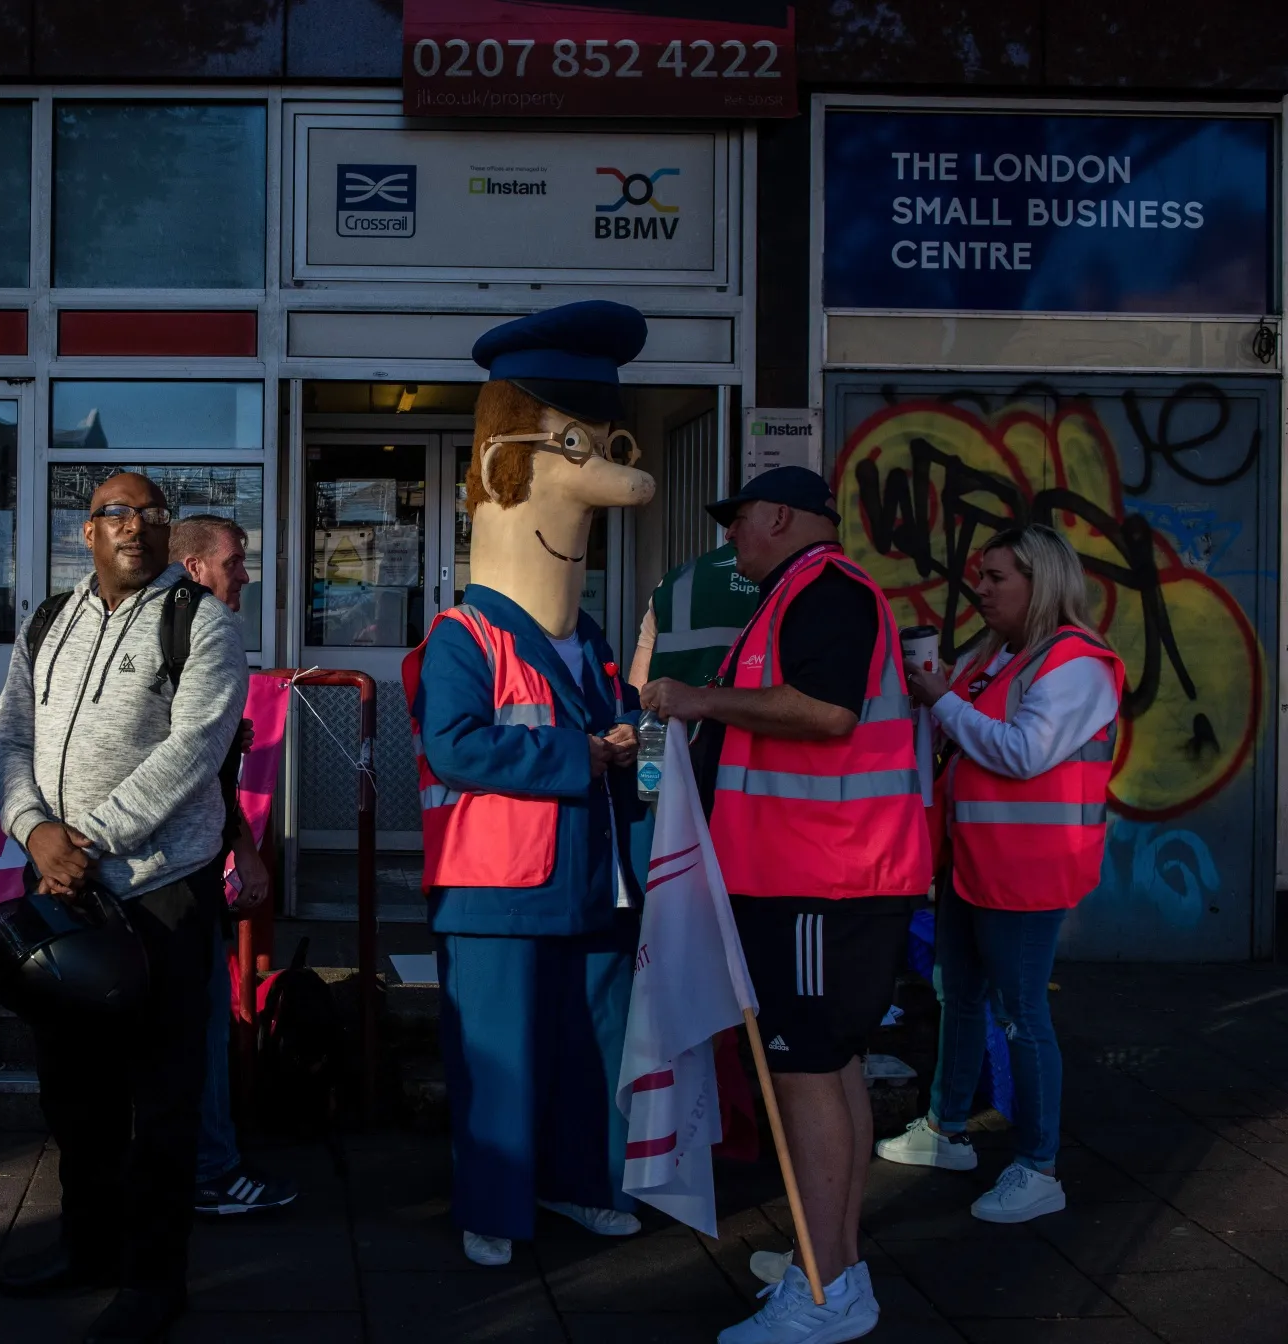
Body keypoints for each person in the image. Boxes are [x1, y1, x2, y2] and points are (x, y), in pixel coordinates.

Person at [642, 465, 929, 1344]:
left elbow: (827, 713)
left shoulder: (827, 590)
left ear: (779, 516)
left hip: (820, 877)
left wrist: (697, 698)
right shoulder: (805, 593)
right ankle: (827, 1266)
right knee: (828, 1068)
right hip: (814, 874)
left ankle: (829, 1290)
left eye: (739, 523)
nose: (732, 539)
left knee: (808, 1075)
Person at [405, 301, 658, 1268]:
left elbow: (596, 739)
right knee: (502, 1063)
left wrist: (631, 739)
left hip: (589, 881)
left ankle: (583, 1183)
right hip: (497, 891)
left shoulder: (587, 639)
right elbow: (457, 748)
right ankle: (493, 1206)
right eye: (576, 443)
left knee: (590, 1051)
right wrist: (583, 759)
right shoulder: (463, 638)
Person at [0, 472, 247, 1343]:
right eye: (118, 515)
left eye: (153, 516)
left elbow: (194, 752)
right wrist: (32, 830)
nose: (137, 528)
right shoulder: (47, 620)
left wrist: (85, 840)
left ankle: (153, 1278)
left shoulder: (201, 622)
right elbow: (8, 734)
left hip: (159, 891)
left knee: (162, 1096)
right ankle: (86, 1245)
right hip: (57, 881)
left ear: (171, 535)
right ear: (87, 531)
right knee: (74, 1089)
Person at [876, 525, 1122, 1224]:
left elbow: (1022, 754)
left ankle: (1039, 1167)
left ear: (1040, 583)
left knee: (1020, 1014)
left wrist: (941, 701)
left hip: (1026, 871)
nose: (978, 589)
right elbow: (964, 745)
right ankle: (946, 1128)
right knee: (958, 995)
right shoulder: (1003, 656)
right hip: (973, 862)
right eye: (980, 576)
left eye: (996, 577)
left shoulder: (1075, 662)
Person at [168, 514, 298, 1217]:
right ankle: (211, 1170)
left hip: (159, 868)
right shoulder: (205, 639)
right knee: (205, 1022)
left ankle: (180, 1165)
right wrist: (243, 849)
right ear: (194, 568)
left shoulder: (157, 634)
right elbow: (196, 770)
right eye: (234, 560)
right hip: (179, 875)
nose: (245, 573)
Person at [627, 540, 757, 690]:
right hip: (757, 710)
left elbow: (638, 690)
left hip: (674, 711)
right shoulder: (784, 580)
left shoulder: (676, 582)